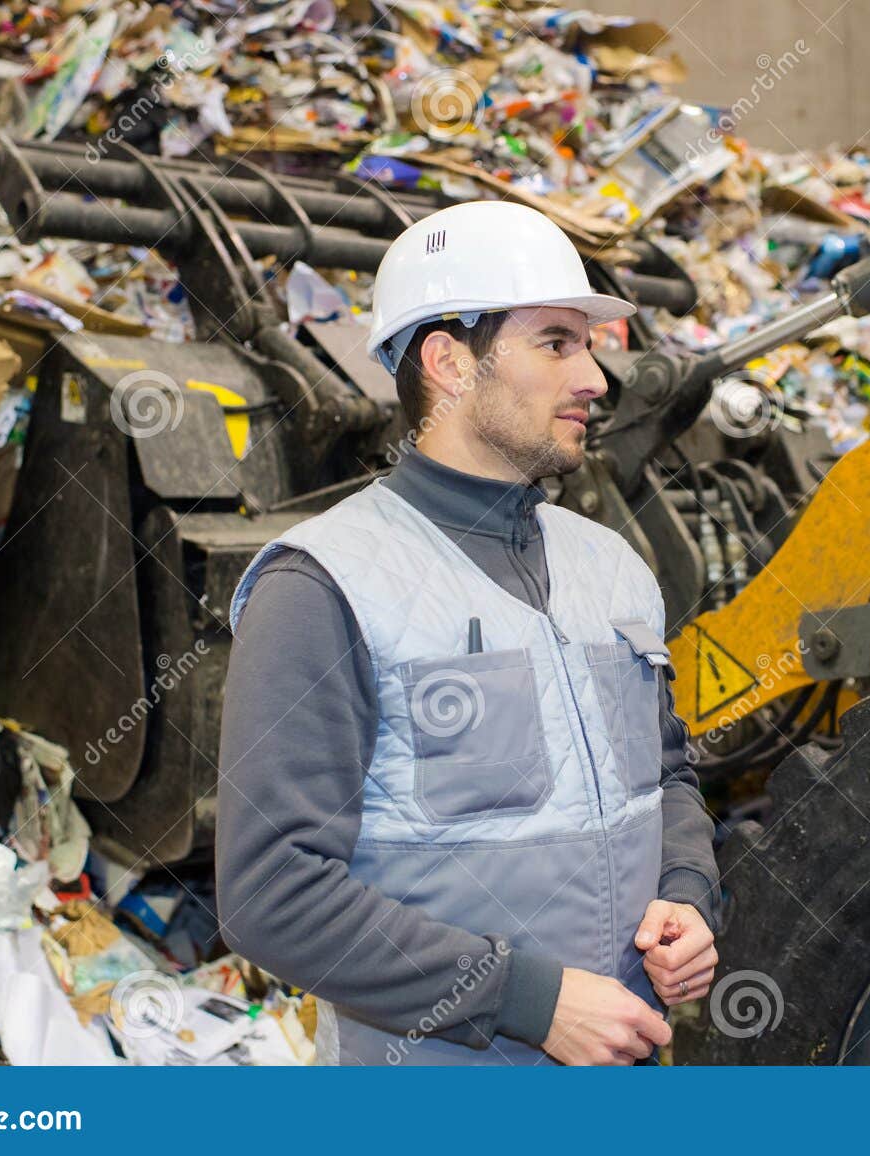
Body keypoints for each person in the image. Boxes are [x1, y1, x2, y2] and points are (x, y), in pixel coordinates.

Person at [217, 200, 721, 1066]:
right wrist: (529, 1001)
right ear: (449, 361)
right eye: (557, 343)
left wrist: (688, 888)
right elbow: (273, 892)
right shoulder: (326, 584)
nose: (596, 380)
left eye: (589, 346)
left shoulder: (612, 567)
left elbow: (668, 774)